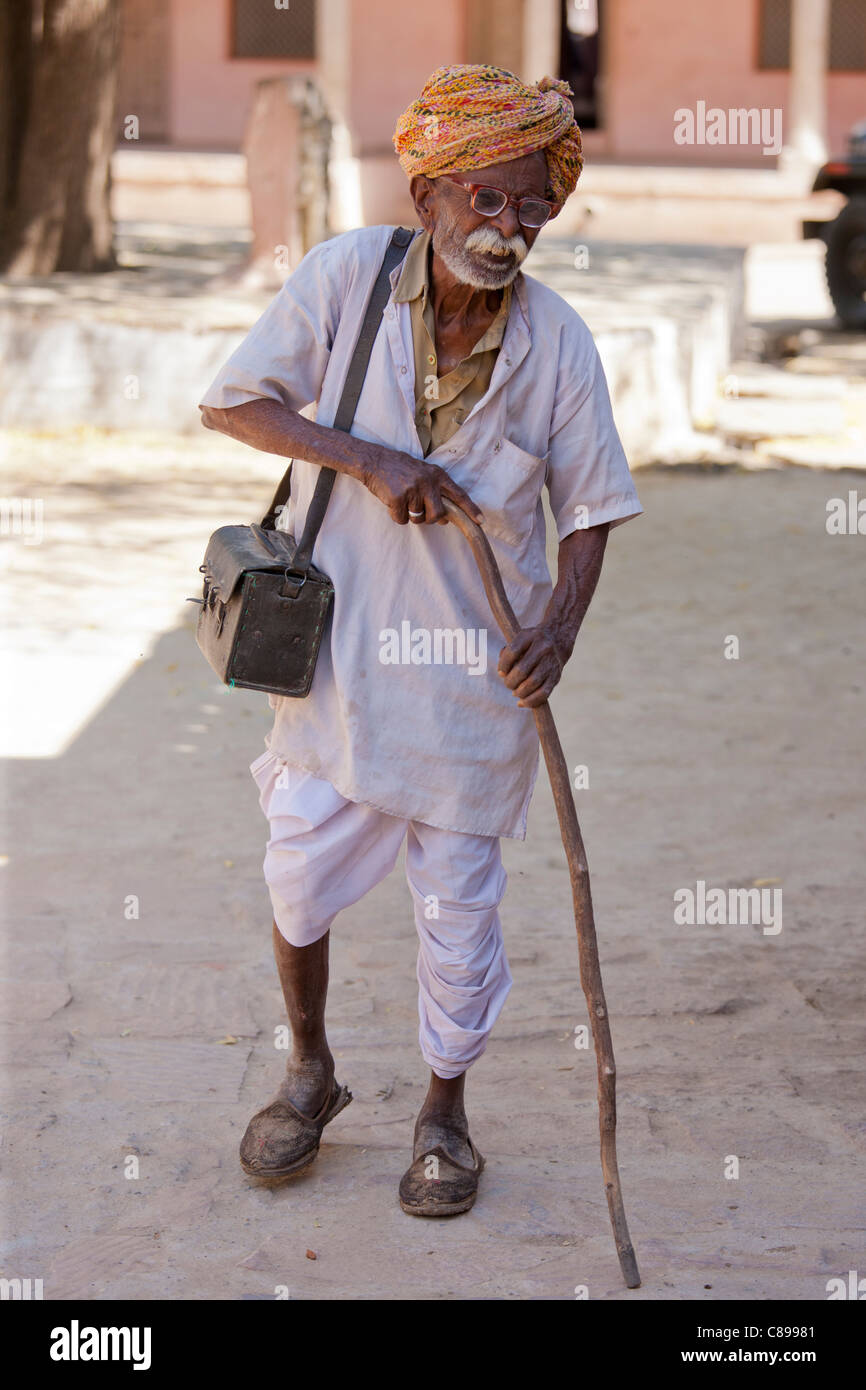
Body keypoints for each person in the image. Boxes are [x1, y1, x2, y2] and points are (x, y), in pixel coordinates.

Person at [198, 63, 642, 1217]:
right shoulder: (346, 277)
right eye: (485, 201)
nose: (508, 230)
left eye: (531, 205)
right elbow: (232, 402)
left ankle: (443, 1113)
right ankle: (310, 1070)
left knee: (458, 920)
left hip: (474, 685)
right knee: (296, 877)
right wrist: (368, 457)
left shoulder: (557, 342)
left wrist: (558, 629)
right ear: (425, 193)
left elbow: (591, 506)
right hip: (339, 666)